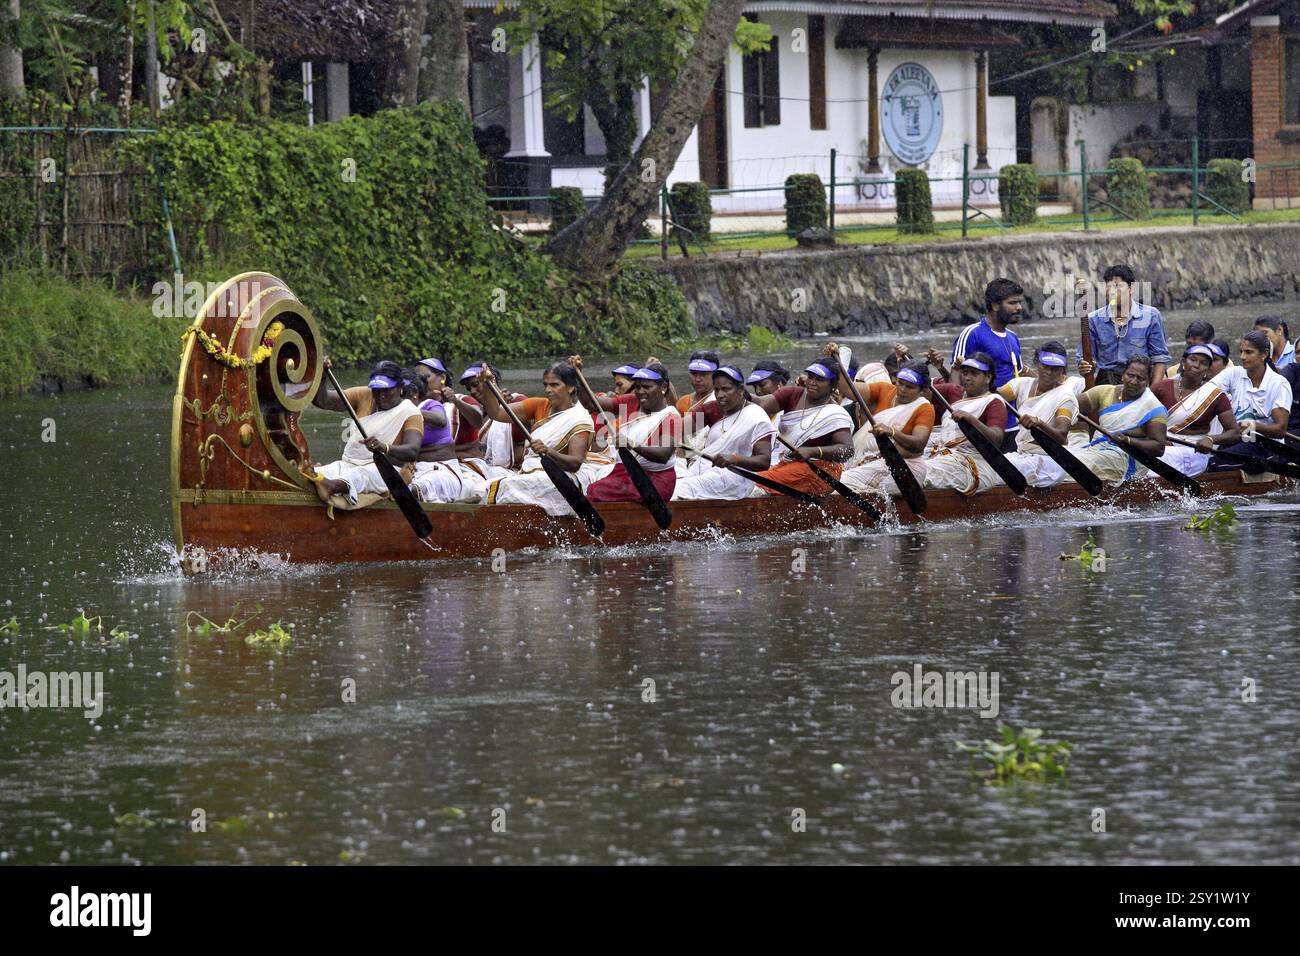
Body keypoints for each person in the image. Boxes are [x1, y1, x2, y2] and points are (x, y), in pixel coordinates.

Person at [477, 362, 611, 514]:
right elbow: (496, 413)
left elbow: (575, 463)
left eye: (554, 385)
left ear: (571, 387)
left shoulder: (580, 419)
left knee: (498, 488)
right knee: (482, 488)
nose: (548, 390)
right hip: (531, 472)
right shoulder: (539, 405)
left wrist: (548, 451)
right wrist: (487, 385)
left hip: (563, 477)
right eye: (546, 385)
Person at [308, 359, 423, 506]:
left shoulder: (411, 412)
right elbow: (322, 401)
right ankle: (323, 483)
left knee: (359, 475)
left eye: (387, 390)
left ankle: (332, 486)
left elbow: (412, 450)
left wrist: (383, 447)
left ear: (400, 387)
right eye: (376, 390)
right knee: (313, 472)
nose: (381, 395)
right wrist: (322, 376)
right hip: (347, 463)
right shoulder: (365, 394)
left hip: (386, 472)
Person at [745, 359, 855, 495]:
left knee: (753, 485)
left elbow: (847, 450)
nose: (812, 382)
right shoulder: (793, 394)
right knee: (743, 480)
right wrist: (741, 393)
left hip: (820, 473)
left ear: (833, 386)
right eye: (810, 377)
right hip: (789, 466)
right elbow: (761, 403)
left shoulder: (836, 414)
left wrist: (813, 451)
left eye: (819, 379)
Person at [578, 361, 683, 503]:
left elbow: (663, 455)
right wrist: (577, 376)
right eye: (638, 387)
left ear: (663, 387)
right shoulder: (632, 401)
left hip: (655, 480)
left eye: (646, 387)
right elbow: (591, 404)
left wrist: (631, 443)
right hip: (625, 473)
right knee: (593, 489)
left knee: (596, 491)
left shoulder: (672, 418)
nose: (640, 392)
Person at [674, 366, 778, 500]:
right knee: (673, 487)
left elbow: (763, 461)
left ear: (740, 390)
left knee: (683, 489)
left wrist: (734, 458)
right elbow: (677, 430)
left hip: (736, 478)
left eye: (726, 389)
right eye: (716, 390)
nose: (720, 395)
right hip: (706, 469)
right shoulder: (712, 409)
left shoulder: (757, 417)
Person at [988, 342, 1081, 489]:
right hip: (1022, 455)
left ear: (1062, 371)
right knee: (986, 465)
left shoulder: (1065, 396)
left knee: (990, 471)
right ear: (1037, 363)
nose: (1049, 372)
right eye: (1045, 366)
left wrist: (1039, 423)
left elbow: (1062, 437)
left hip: (1049, 462)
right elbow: (993, 397)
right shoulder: (1021, 384)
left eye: (1055, 369)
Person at [838, 361, 935, 495]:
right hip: (875, 460)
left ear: (922, 390)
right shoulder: (885, 390)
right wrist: (836, 362)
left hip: (906, 468)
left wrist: (893, 432)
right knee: (836, 478)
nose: (902, 389)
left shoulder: (925, 408)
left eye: (910, 387)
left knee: (842, 482)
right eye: (900, 383)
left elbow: (918, 444)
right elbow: (848, 389)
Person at [1206, 330, 1294, 474]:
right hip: (1236, 439)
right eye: (1241, 351)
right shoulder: (1234, 373)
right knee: (1204, 458)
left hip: (1266, 446)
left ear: (1264, 354)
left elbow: (1280, 430)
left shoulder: (1278, 384)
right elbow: (1206, 394)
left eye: (1248, 352)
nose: (1242, 357)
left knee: (1214, 464)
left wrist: (1252, 425)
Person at [951, 278, 1025, 448]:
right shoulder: (972, 333)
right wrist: (957, 412)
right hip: (984, 424)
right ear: (995, 306)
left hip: (1013, 423)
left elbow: (1019, 376)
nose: (1019, 308)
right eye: (1012, 303)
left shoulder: (1013, 337)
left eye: (1019, 302)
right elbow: (956, 373)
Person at [1072, 355, 1168, 484]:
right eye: (1130, 375)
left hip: (1128, 458)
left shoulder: (1153, 407)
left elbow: (1159, 448)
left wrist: (1127, 440)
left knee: (1076, 464)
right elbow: (1070, 405)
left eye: (1140, 378)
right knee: (1064, 459)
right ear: (1123, 375)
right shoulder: (1104, 392)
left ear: (1148, 382)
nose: (1133, 382)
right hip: (1097, 449)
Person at [921, 353, 1009, 495]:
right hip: (946, 457)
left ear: (988, 377)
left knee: (918, 473)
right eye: (965, 373)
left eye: (974, 374)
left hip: (975, 465)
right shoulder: (956, 393)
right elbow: (920, 391)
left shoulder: (994, 402)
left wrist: (971, 419)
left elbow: (997, 439)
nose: (967, 378)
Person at [1153, 344, 1239, 477]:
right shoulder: (1161, 388)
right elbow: (1140, 415)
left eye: (1203, 363)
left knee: (1159, 458)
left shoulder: (1215, 395)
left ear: (1207, 370)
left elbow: (1234, 432)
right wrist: (1156, 437)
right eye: (1193, 360)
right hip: (1159, 446)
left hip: (1194, 452)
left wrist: (1211, 439)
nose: (1197, 365)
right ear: (1183, 362)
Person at [1077, 264, 1171, 385]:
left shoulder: (1151, 316)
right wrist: (1085, 367)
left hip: (1140, 381)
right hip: (1107, 381)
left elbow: (1160, 359)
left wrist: (1153, 392)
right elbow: (1084, 360)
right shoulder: (1093, 320)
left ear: (1131, 288)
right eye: (1109, 287)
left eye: (1117, 286)